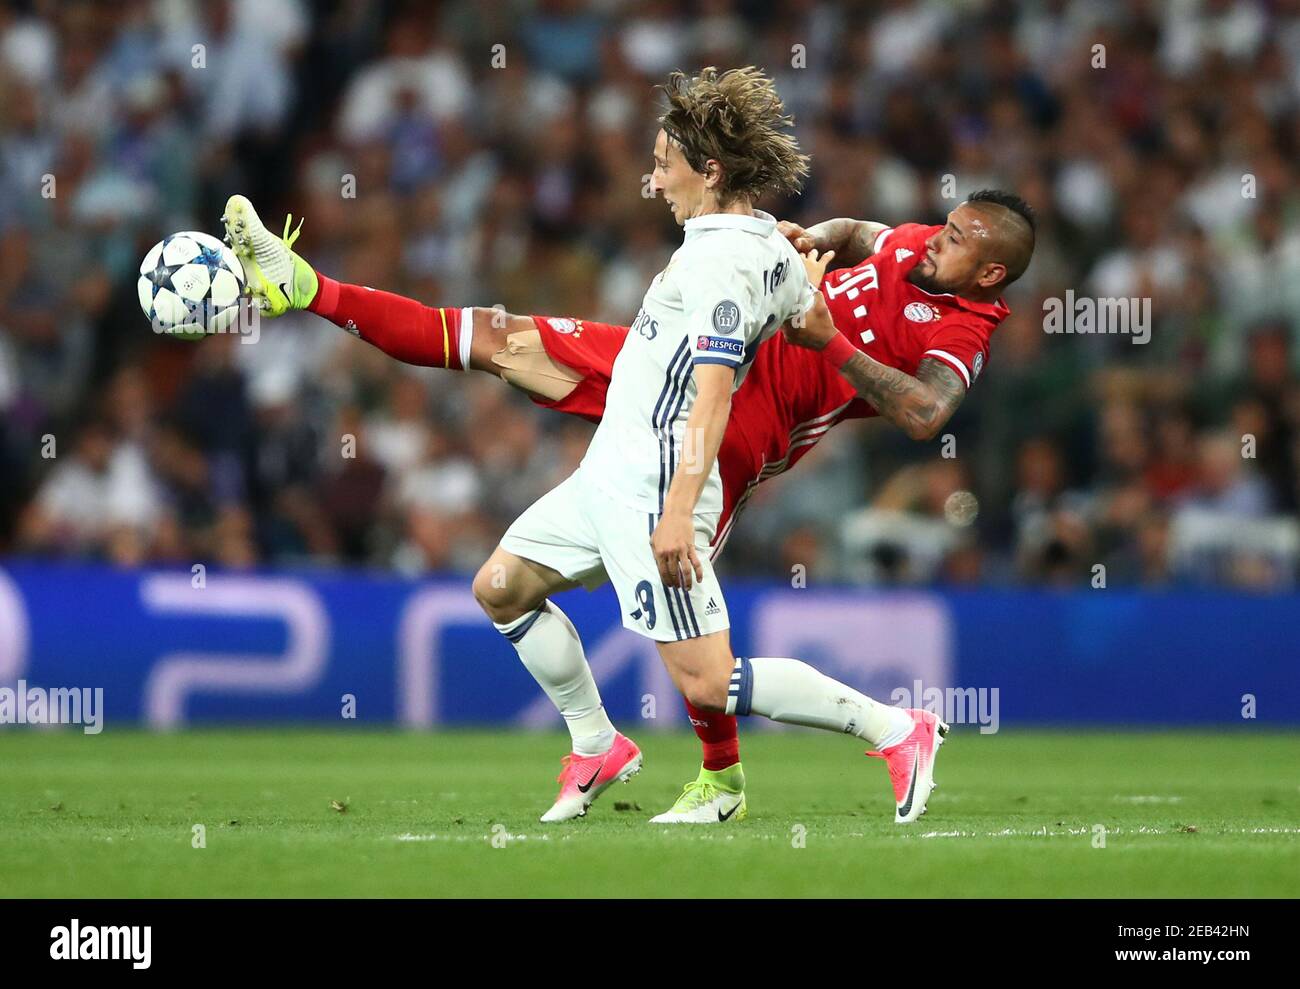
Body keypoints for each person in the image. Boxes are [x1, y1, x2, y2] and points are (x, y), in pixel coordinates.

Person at [224, 77, 1033, 825]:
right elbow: (862, 232)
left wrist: (817, 343)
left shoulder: (946, 324)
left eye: (662, 164)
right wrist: (807, 241)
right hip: (655, 384)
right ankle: (306, 287)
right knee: (501, 392)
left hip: (723, 423)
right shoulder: (875, 245)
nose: (651, 178)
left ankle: (884, 731)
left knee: (706, 674)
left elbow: (915, 411)